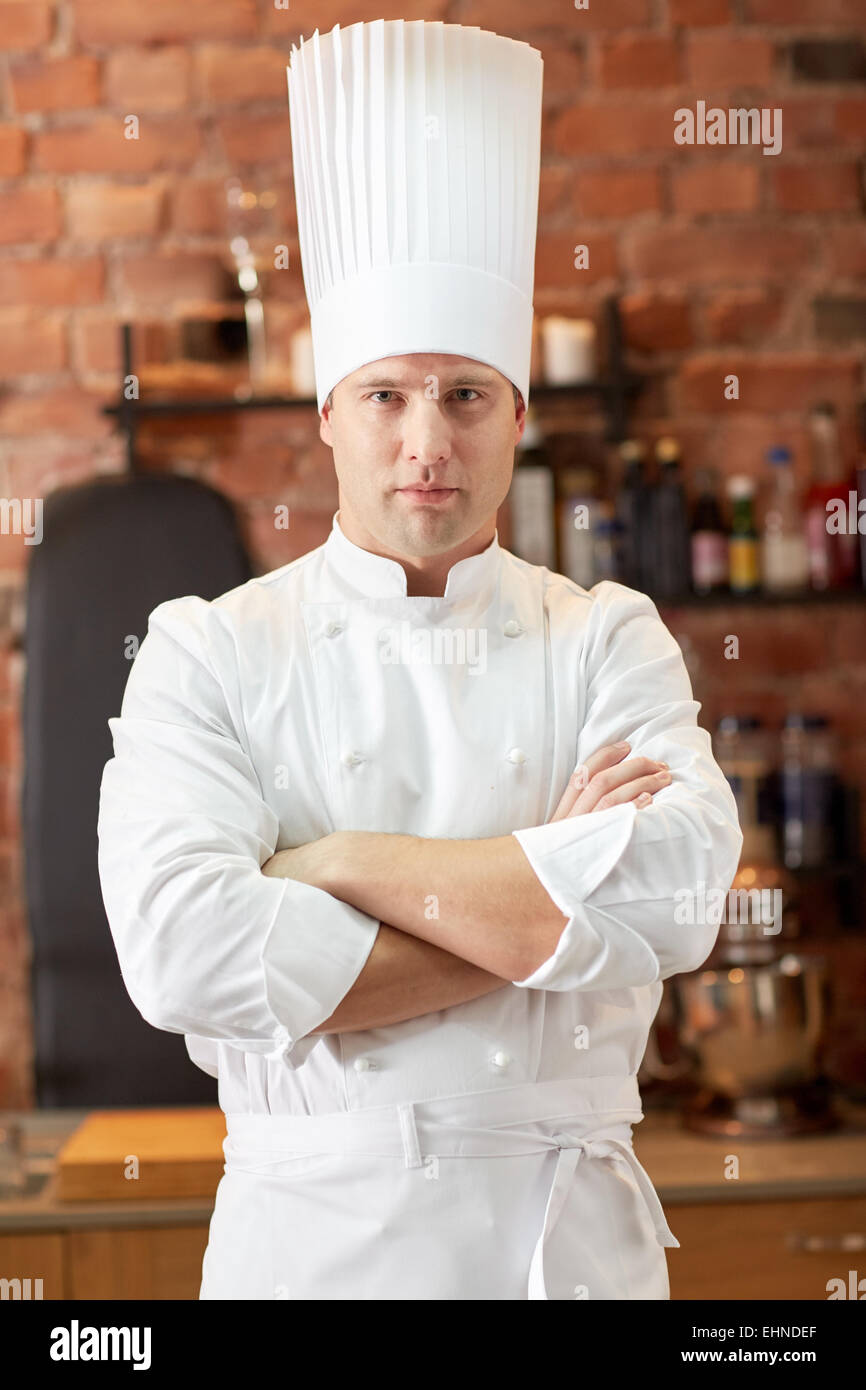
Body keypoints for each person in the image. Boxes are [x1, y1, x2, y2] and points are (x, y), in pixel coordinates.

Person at [96, 19, 742, 1300]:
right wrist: (545, 898)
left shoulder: (603, 633)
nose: (424, 443)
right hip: (312, 1257)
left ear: (517, 415)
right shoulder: (209, 651)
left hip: (562, 1255)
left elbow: (673, 898)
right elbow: (182, 952)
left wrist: (334, 868)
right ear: (329, 412)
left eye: (463, 395)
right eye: (387, 394)